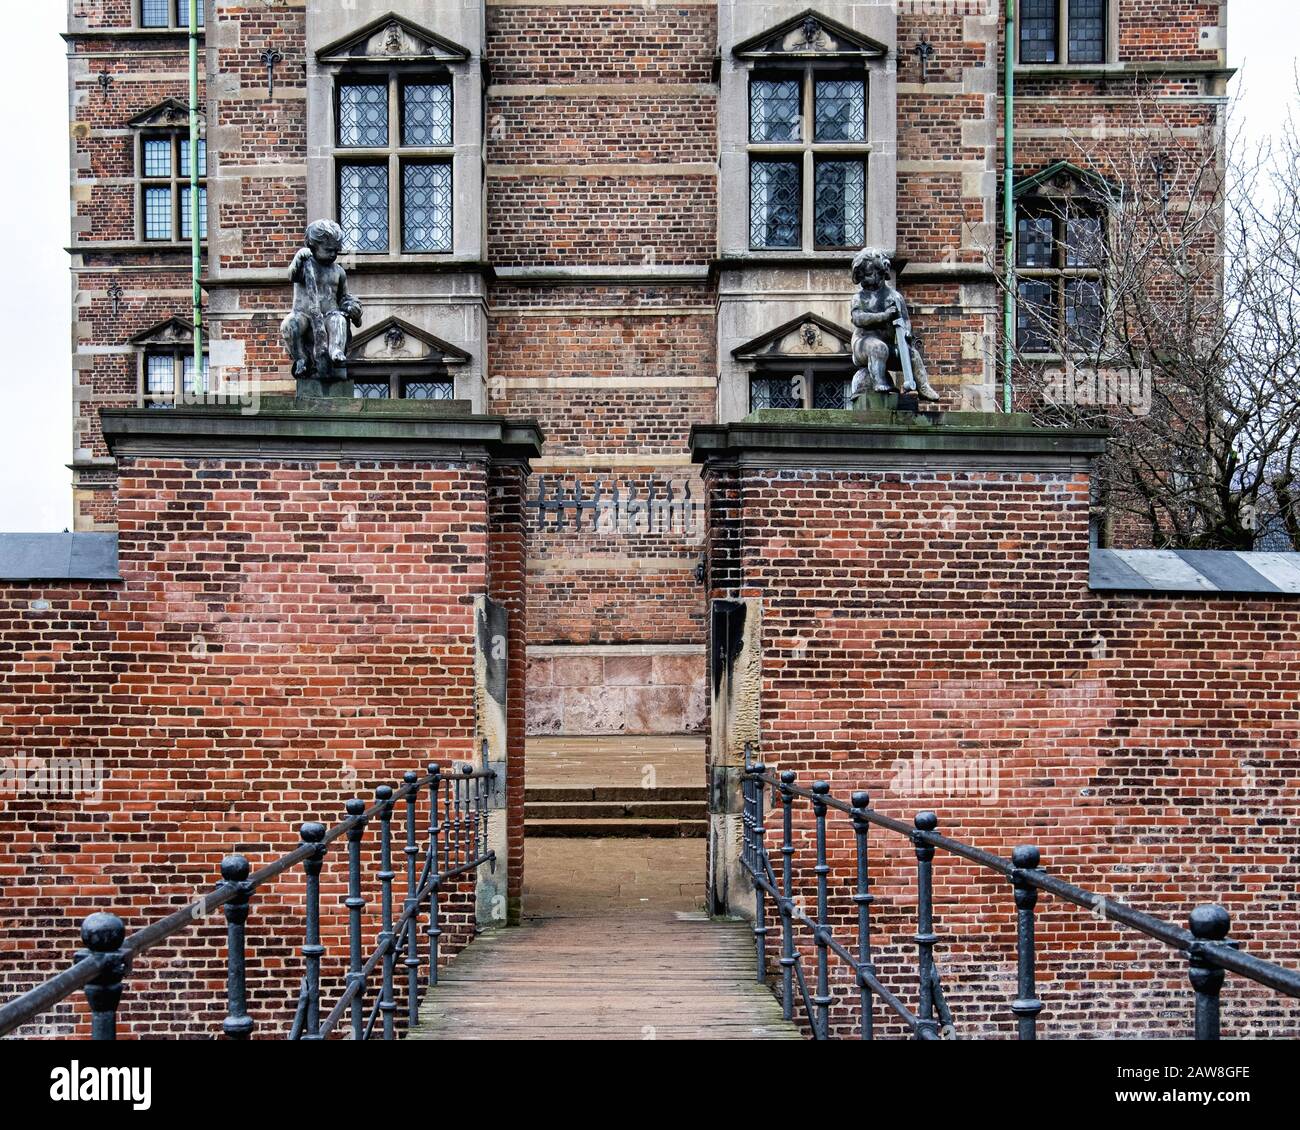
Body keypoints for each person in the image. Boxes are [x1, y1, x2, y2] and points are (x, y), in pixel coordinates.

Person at [849, 247, 940, 402]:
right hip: (863, 345)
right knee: (878, 348)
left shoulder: (894, 297)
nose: (865, 279)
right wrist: (884, 316)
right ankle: (879, 382)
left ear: (882, 272)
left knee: (913, 355)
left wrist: (906, 333)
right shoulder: (859, 298)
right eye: (862, 275)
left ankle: (923, 386)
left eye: (869, 274)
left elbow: (905, 320)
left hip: (888, 347)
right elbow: (858, 319)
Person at [280, 220, 363, 386]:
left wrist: (352, 307)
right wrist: (298, 257)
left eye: (336, 251)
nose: (333, 254)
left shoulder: (338, 271)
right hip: (303, 314)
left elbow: (343, 296)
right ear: (312, 245)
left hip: (329, 314)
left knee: (338, 321)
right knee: (290, 325)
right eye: (328, 250)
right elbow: (292, 275)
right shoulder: (305, 265)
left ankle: (336, 351)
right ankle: (301, 358)